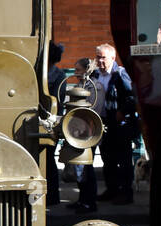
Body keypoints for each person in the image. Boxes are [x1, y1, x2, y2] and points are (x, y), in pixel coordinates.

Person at [90, 42, 137, 204]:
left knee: (123, 160)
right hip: (102, 123)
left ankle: (126, 193)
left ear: (112, 57)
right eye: (98, 57)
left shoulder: (120, 74)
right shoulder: (95, 75)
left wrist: (122, 112)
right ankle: (112, 190)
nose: (100, 61)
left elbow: (132, 97)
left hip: (119, 124)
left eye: (103, 58)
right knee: (107, 159)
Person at [73, 56, 98, 214]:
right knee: (79, 167)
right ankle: (82, 199)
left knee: (87, 167)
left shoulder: (95, 87)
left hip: (89, 132)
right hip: (78, 131)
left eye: (78, 70)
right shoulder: (79, 85)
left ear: (86, 71)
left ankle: (89, 202)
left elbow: (95, 109)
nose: (75, 73)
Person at [46, 41, 67, 206]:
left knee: (49, 159)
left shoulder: (57, 76)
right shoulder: (58, 75)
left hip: (50, 120)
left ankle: (52, 196)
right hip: (50, 118)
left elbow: (56, 101)